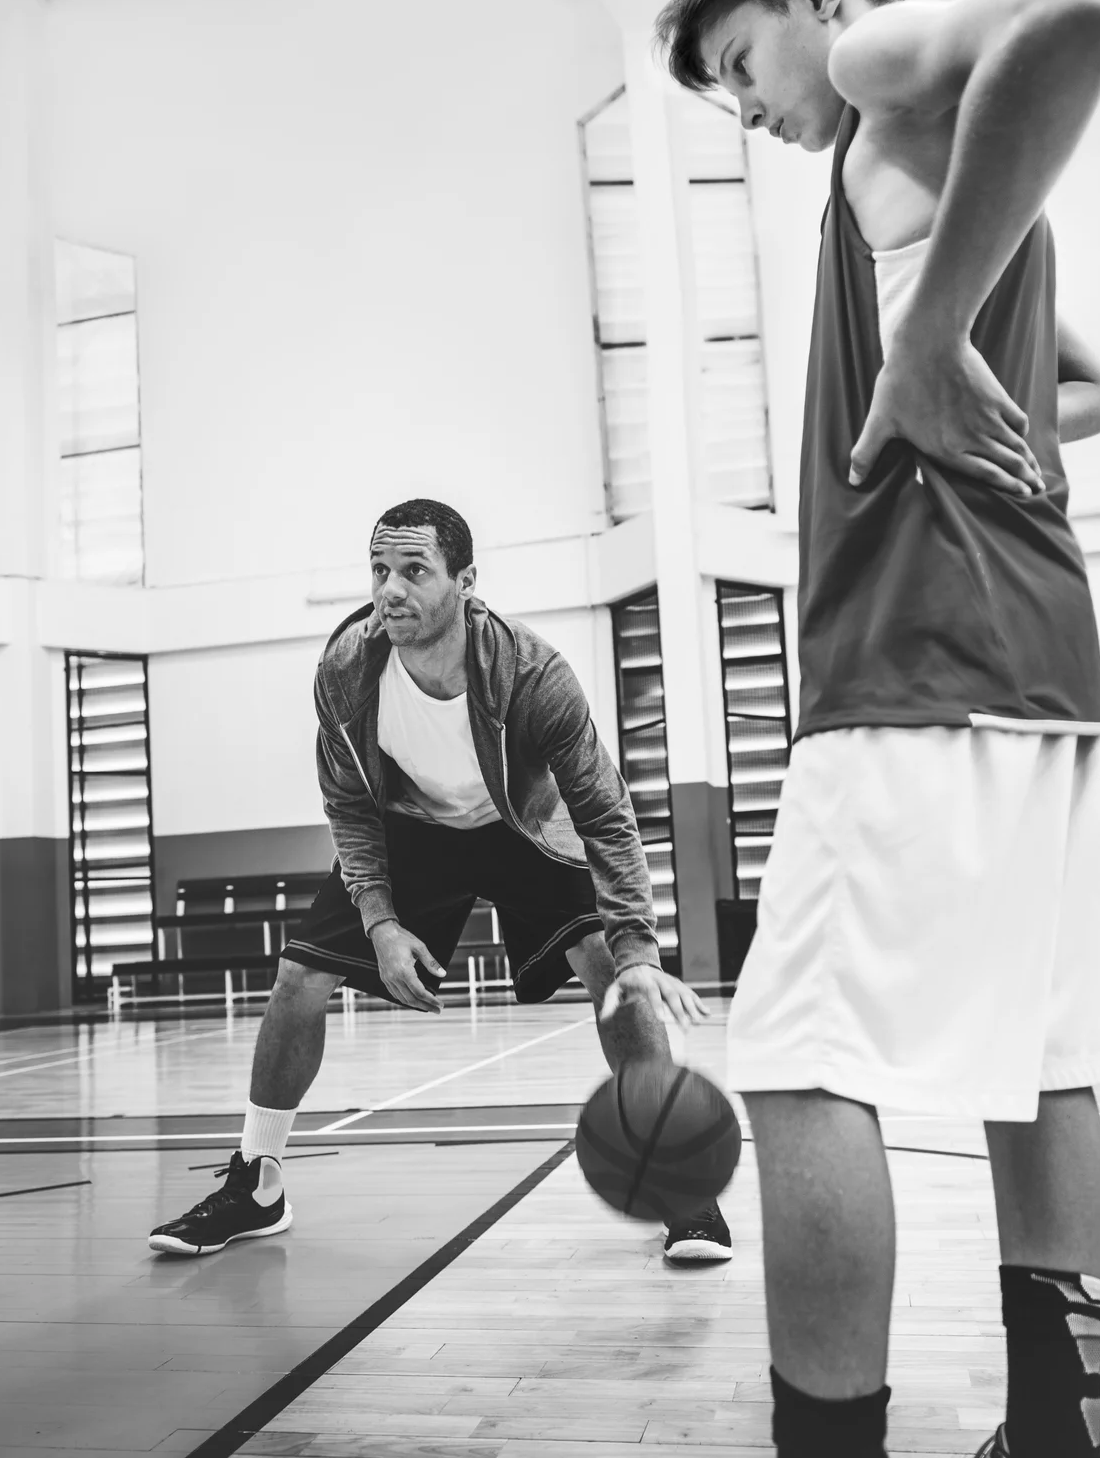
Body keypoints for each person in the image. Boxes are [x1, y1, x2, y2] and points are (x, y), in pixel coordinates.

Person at [656, 0, 1100, 1458]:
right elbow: (1090, 384)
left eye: (737, 61)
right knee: (1039, 1065)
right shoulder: (946, 177)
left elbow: (1072, 20)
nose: (742, 105)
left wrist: (923, 337)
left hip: (919, 658)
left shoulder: (874, 85)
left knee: (793, 1062)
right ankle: (1053, 1440)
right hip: (1043, 661)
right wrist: (951, 337)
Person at [147, 498, 733, 1265]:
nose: (390, 588)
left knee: (607, 969)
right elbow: (350, 806)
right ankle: (255, 1184)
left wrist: (638, 950)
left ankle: (679, 1180)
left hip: (521, 823)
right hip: (414, 827)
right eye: (380, 569)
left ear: (465, 582)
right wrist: (382, 922)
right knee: (299, 975)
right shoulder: (345, 670)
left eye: (414, 570)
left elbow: (606, 815)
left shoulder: (532, 672)